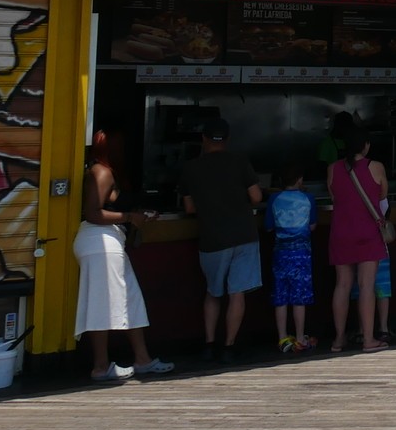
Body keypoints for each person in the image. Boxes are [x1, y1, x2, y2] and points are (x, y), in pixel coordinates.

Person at [75, 129, 174, 384]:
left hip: (107, 241)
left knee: (131, 299)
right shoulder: (102, 172)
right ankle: (100, 366)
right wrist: (131, 217)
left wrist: (133, 216)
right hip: (100, 240)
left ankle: (142, 358)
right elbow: (93, 213)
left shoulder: (101, 171)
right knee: (101, 304)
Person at [181, 117, 263, 362]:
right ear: (227, 139)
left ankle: (208, 343)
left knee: (213, 292)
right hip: (244, 235)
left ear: (203, 138)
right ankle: (229, 346)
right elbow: (257, 197)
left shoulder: (191, 168)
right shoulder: (239, 161)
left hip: (212, 237)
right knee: (236, 293)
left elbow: (188, 208)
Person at [327, 124, 390, 351]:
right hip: (367, 232)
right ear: (365, 145)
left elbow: (333, 195)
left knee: (342, 285)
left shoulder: (333, 169)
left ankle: (338, 339)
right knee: (366, 286)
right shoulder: (376, 167)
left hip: (340, 232)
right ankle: (368, 339)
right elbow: (382, 193)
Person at [267, 164, 317, 353]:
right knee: (299, 296)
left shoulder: (274, 198)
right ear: (299, 180)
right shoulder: (308, 198)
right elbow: (312, 226)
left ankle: (282, 338)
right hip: (302, 254)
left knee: (280, 296)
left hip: (280, 253)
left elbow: (269, 226)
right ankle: (300, 337)